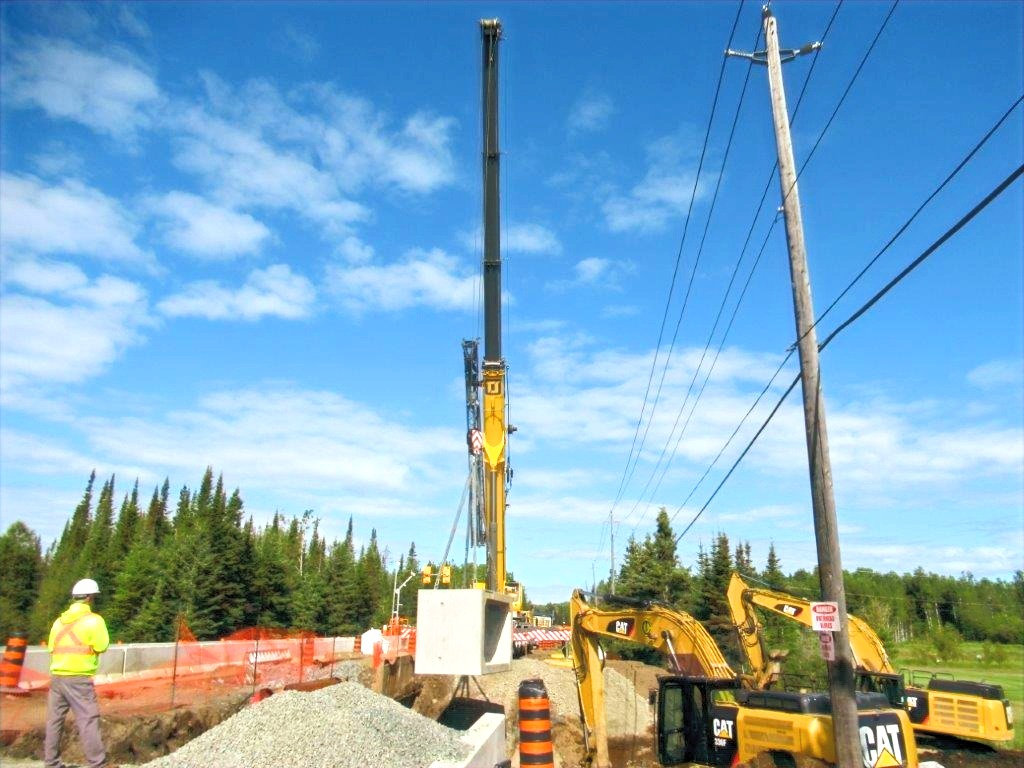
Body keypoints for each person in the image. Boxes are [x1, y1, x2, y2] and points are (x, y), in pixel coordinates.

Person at [44, 578, 117, 768]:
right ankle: (97, 764)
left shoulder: (58, 622)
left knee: (54, 721)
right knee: (88, 721)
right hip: (79, 679)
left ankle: (51, 763)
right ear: (90, 598)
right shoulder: (94, 621)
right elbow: (102, 645)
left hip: (57, 678)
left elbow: (52, 648)